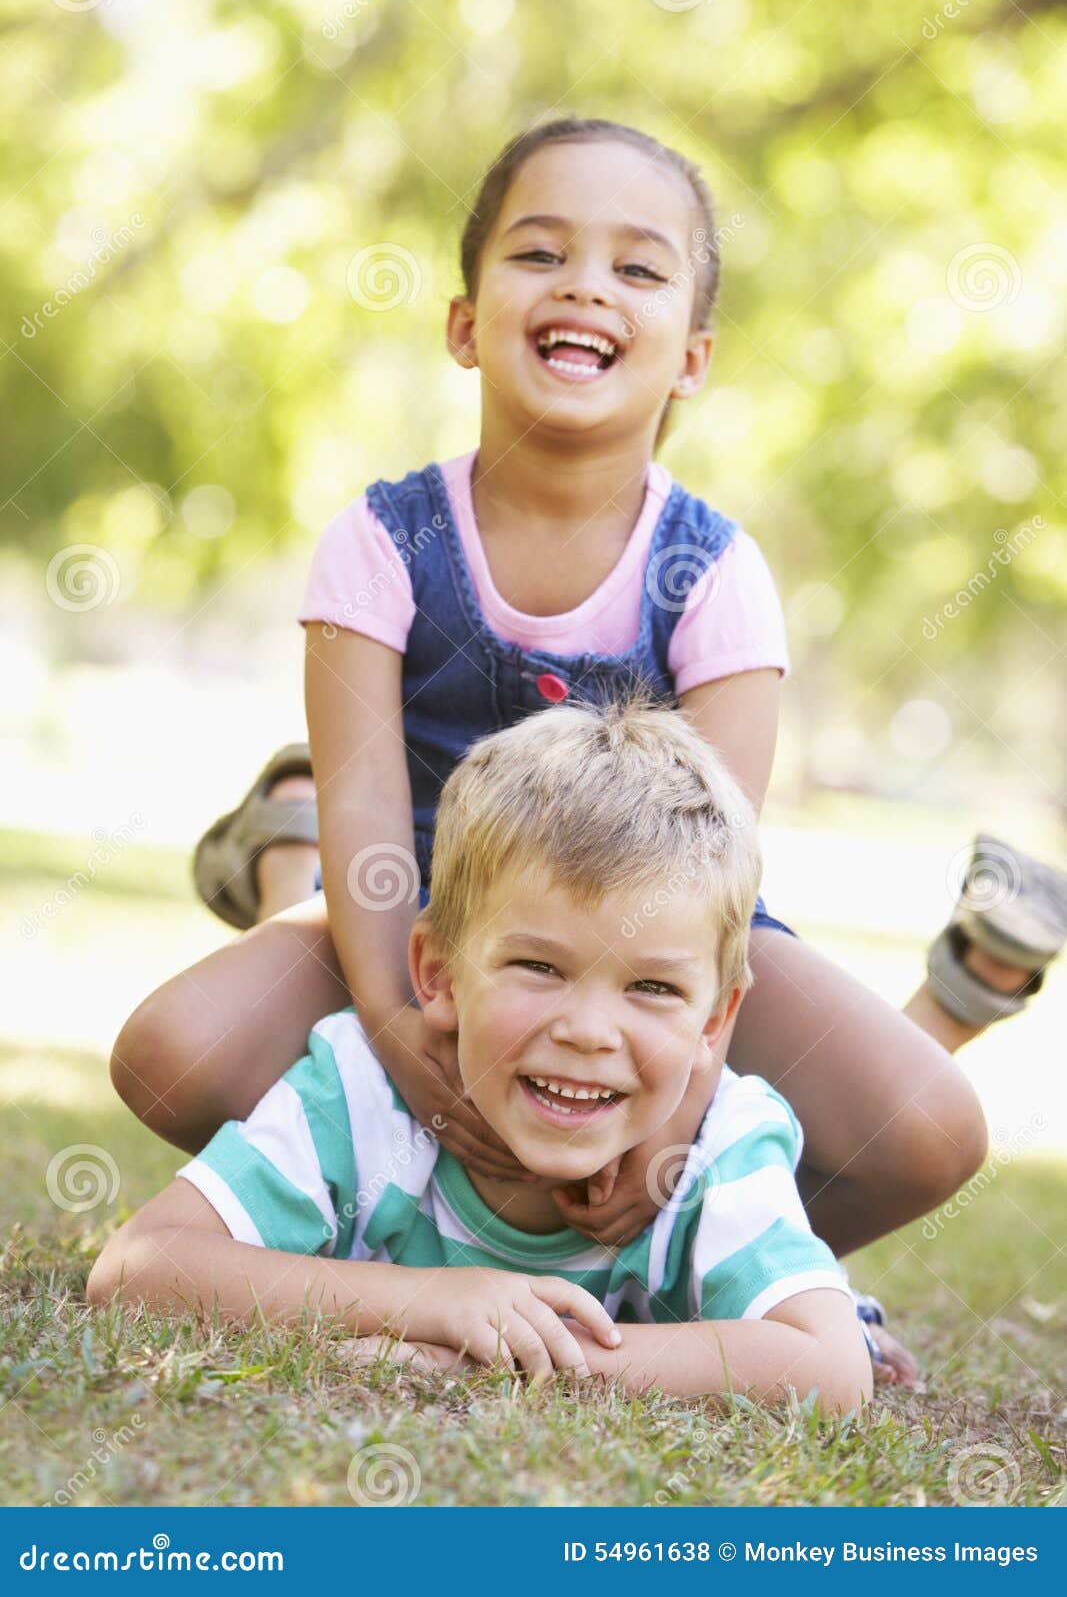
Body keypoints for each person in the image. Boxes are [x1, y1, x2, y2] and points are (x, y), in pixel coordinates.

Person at [109, 116, 1067, 1384]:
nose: (582, 286)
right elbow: (380, 863)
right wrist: (411, 1046)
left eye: (636, 267)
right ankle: (293, 864)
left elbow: (720, 882)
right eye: (540, 253)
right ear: (462, 323)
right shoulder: (383, 543)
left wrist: (665, 1130)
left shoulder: (712, 573)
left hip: (657, 935)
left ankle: (724, 1260)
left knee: (929, 1133)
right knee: (168, 1052)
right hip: (423, 918)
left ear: (692, 357)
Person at [90, 700, 873, 1413]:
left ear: (716, 1021)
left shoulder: (720, 1145)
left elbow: (829, 1369)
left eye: (652, 988)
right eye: (539, 968)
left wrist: (505, 1355)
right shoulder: (362, 1095)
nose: (589, 1032)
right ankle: (287, 859)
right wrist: (437, 1302)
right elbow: (138, 1270)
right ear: (437, 975)